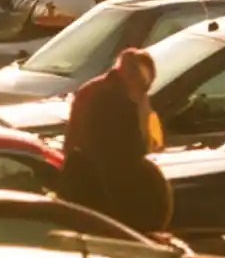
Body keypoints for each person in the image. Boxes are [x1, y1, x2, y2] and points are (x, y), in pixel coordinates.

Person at [59, 48, 172, 233]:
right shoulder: (114, 101)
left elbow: (152, 142)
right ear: (131, 76)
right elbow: (136, 147)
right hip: (102, 196)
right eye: (144, 85)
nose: (145, 91)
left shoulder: (125, 97)